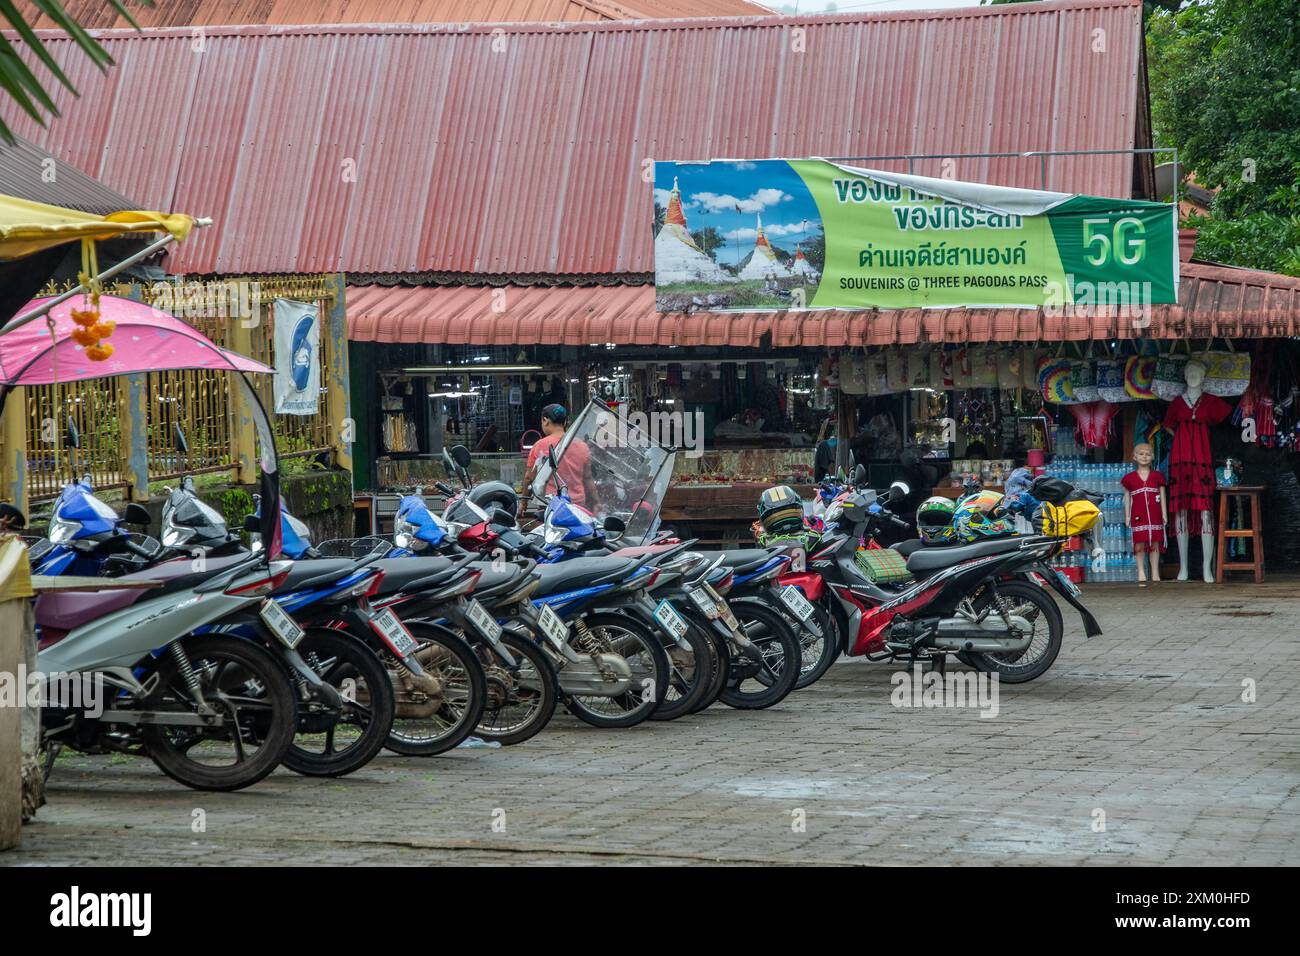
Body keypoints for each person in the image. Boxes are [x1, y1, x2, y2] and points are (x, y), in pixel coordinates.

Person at [523, 403, 596, 508]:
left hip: (550, 504)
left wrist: (523, 503)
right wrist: (597, 502)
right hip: (577, 505)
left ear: (545, 420)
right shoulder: (582, 445)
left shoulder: (539, 446)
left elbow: (529, 478)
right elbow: (588, 478)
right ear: (565, 422)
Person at [1121, 442, 1167, 587]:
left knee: (1155, 544)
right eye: (1141, 454)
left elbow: (1162, 495)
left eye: (1147, 454)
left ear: (1152, 457)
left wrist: (1164, 514)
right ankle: (1141, 571)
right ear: (1134, 457)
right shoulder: (1129, 478)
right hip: (1137, 515)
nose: (1144, 457)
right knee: (1139, 544)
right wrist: (1127, 516)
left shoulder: (1157, 476)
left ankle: (1155, 572)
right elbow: (1127, 498)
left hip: (1155, 514)